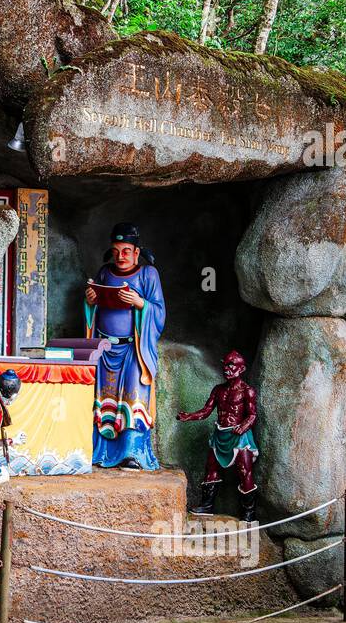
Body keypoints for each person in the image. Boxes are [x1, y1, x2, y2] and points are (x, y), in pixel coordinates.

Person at [84, 222, 166, 470]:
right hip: (104, 348)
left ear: (137, 252)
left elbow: (159, 312)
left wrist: (141, 303)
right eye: (117, 250)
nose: (121, 256)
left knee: (134, 396)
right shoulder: (104, 272)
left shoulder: (148, 274)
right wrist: (91, 301)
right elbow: (93, 306)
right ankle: (99, 450)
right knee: (102, 399)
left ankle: (132, 453)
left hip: (133, 350)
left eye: (127, 251)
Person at [176, 350, 259, 521]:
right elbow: (207, 411)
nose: (227, 369)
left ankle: (248, 514)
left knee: (245, 471)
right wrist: (189, 416)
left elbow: (252, 415)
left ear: (241, 368)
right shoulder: (219, 390)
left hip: (240, 437)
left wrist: (243, 426)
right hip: (220, 434)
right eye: (225, 365)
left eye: (231, 365)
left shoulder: (247, 391)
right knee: (211, 468)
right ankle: (207, 505)